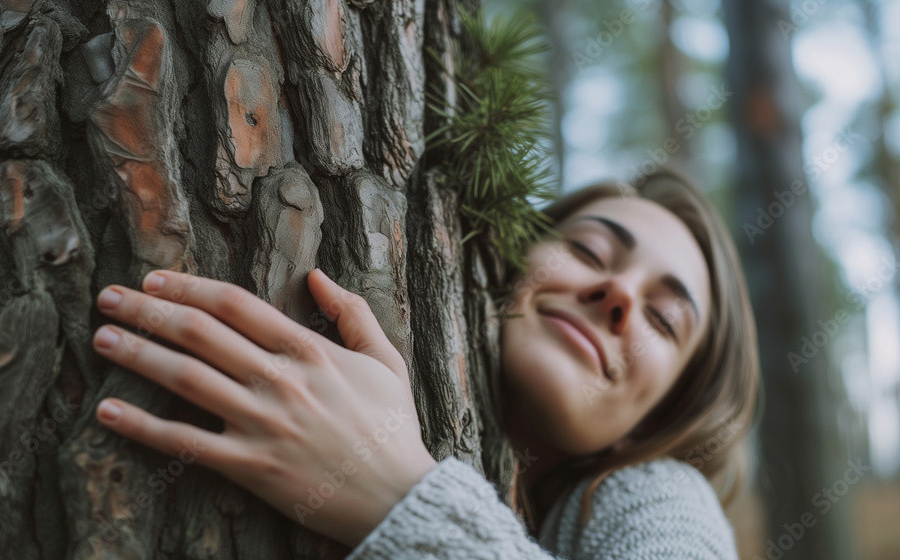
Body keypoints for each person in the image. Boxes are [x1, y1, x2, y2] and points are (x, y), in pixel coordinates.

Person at [89, 169, 759, 559]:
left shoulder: (662, 501)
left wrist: (400, 494)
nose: (618, 295)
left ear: (659, 419)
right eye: (587, 251)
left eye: (664, 320)